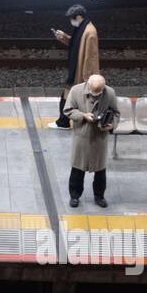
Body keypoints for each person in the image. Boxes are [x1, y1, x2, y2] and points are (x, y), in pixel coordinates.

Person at [63, 74, 119, 208]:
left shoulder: (110, 93)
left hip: (100, 137)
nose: (95, 96)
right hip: (82, 136)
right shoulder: (76, 91)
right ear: (88, 84)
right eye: (93, 92)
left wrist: (112, 125)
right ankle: (74, 196)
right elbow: (68, 110)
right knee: (77, 169)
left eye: (98, 93)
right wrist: (83, 116)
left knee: (100, 170)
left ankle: (99, 196)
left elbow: (116, 113)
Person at [51, 4, 100, 128]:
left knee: (71, 97)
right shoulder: (83, 28)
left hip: (81, 73)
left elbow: (91, 57)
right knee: (68, 96)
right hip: (76, 71)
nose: (71, 21)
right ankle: (63, 122)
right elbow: (76, 44)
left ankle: (64, 122)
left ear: (78, 17)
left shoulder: (90, 32)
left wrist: (87, 78)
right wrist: (64, 38)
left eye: (72, 19)